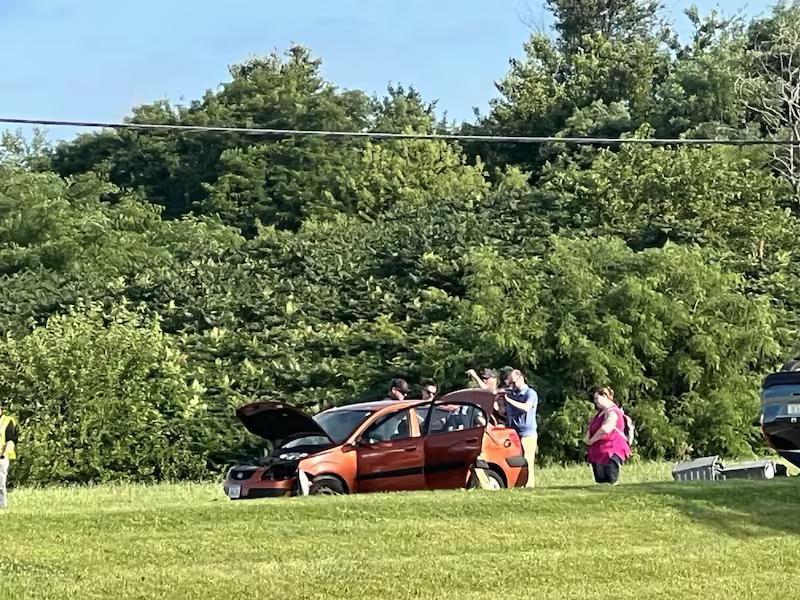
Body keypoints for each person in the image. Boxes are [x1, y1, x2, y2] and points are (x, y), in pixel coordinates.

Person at [583, 386, 631, 485]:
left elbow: (606, 428)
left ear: (604, 396)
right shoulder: (599, 414)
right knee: (601, 483)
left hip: (610, 451)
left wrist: (592, 440)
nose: (595, 402)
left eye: (597, 398)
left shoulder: (613, 412)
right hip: (598, 452)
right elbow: (591, 427)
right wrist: (587, 438)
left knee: (610, 482)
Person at [502, 369, 539, 488]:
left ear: (521, 378)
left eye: (514, 382)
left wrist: (509, 400)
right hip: (513, 432)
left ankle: (529, 485)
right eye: (510, 383)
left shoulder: (530, 393)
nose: (512, 386)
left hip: (527, 432)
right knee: (516, 460)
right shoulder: (513, 393)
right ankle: (518, 483)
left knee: (527, 459)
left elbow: (526, 407)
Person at [0, 404, 18, 509]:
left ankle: (2, 505)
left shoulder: (7, 421)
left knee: (0, 483)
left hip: (1, 457)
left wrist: (5, 453)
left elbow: (11, 440)